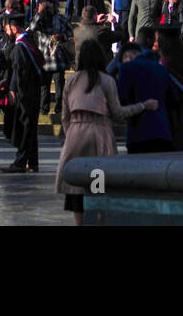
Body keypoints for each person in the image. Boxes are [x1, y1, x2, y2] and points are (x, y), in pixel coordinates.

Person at [57, 39, 157, 224]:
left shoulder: (71, 80)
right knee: (97, 188)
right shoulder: (107, 81)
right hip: (99, 137)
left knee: (76, 191)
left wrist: (71, 133)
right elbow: (118, 113)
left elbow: (65, 116)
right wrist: (143, 105)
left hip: (75, 136)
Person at [1, 13, 44, 173]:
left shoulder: (20, 47)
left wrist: (12, 89)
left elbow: (20, 72)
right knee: (30, 127)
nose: (6, 32)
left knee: (25, 127)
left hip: (25, 93)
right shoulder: (29, 42)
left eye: (7, 29)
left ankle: (20, 162)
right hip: (32, 91)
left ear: (13, 28)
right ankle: (33, 162)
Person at [117, 28, 172, 152]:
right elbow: (172, 100)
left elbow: (121, 99)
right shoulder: (162, 69)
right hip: (163, 132)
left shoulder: (128, 68)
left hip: (138, 133)